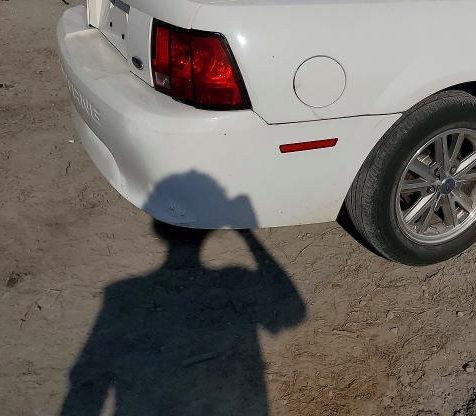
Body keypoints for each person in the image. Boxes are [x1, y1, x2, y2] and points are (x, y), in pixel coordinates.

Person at [61, 172, 305, 416]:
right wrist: (248, 234)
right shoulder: (234, 280)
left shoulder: (121, 296)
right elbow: (293, 314)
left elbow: (87, 382)